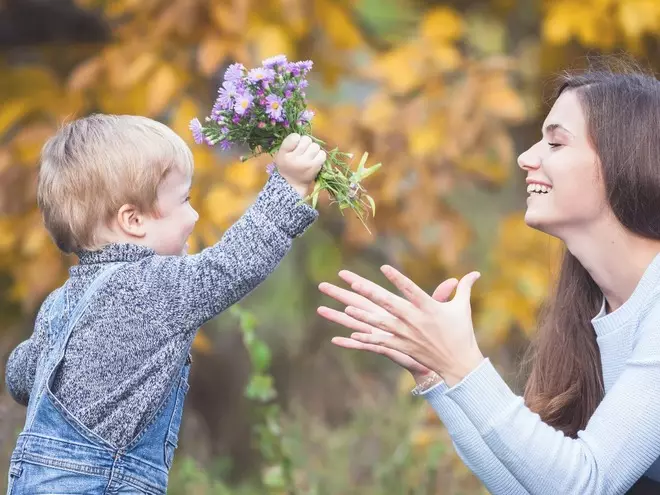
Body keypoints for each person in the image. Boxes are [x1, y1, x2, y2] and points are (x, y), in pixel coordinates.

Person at [318, 66, 660, 494]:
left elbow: (584, 484)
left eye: (555, 142)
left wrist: (463, 363)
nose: (526, 157)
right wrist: (436, 375)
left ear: (623, 160)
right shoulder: (595, 306)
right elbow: (531, 487)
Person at [4, 114, 325, 494]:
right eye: (184, 200)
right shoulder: (149, 287)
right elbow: (229, 267)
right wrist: (287, 188)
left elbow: (20, 374)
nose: (194, 216)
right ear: (133, 219)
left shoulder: (61, 302)